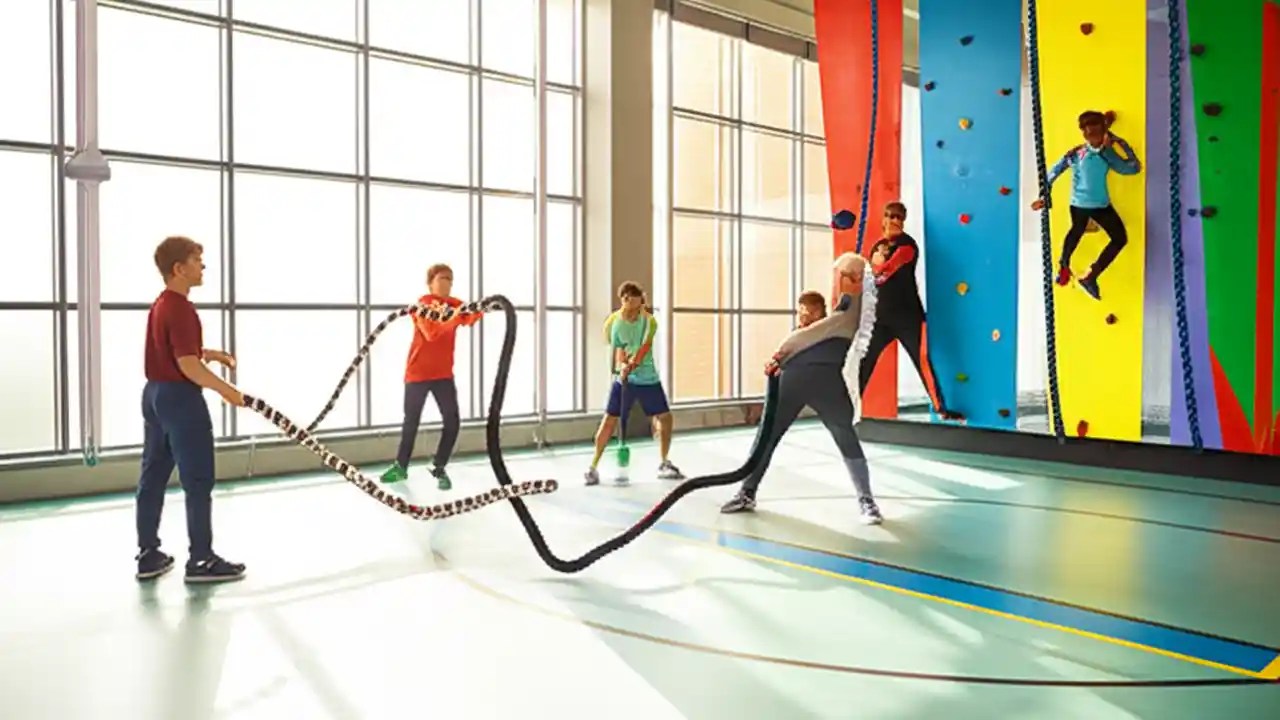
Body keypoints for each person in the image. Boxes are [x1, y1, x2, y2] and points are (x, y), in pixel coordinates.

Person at [721, 259, 884, 525]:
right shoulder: (798, 335)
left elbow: (852, 303)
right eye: (802, 312)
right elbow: (785, 351)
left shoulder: (840, 322)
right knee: (766, 436)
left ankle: (867, 501)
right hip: (790, 386)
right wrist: (775, 361)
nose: (806, 316)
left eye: (811, 311)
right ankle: (746, 492)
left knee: (847, 440)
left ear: (822, 310)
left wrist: (853, 274)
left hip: (828, 389)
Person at [135, 236, 246, 583]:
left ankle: (148, 554)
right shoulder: (182, 308)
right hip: (181, 399)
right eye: (197, 260)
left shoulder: (161, 305)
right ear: (178, 269)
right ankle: (201, 559)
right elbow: (187, 365)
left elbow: (175, 352)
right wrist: (228, 391)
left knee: (152, 476)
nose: (203, 266)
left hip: (155, 396)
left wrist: (210, 354)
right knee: (198, 480)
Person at [847, 202, 963, 422]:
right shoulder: (877, 246)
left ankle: (941, 409)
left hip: (908, 316)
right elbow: (872, 279)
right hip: (881, 318)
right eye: (890, 216)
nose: (893, 221)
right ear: (883, 218)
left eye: (898, 217)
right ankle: (847, 407)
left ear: (903, 221)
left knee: (923, 362)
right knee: (864, 361)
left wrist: (872, 267)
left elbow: (885, 272)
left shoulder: (908, 246)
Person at [380, 263, 479, 490]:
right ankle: (400, 467)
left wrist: (480, 308)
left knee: (452, 421)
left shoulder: (454, 305)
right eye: (443, 278)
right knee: (411, 422)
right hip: (417, 374)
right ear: (431, 282)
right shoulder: (422, 306)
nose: (447, 284)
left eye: (451, 280)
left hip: (443, 374)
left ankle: (439, 466)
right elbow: (431, 333)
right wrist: (455, 317)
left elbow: (472, 317)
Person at [1032, 109, 1142, 300]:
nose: (1091, 136)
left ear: (1103, 130)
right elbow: (1052, 173)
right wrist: (1045, 196)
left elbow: (1134, 169)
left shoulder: (1103, 154)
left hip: (1098, 205)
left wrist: (1117, 141)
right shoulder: (1078, 154)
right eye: (1087, 132)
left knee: (1115, 238)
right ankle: (1065, 266)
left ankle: (1087, 274)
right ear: (1083, 133)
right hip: (1082, 204)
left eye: (1095, 131)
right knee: (1078, 230)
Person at [585, 281, 684, 485]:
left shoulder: (649, 321)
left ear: (641, 299)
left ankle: (664, 463)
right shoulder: (614, 322)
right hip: (623, 381)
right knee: (609, 420)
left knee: (665, 418)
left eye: (632, 296)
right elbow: (617, 349)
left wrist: (631, 365)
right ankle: (593, 467)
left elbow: (643, 349)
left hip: (648, 378)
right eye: (624, 297)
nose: (628, 300)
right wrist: (622, 366)